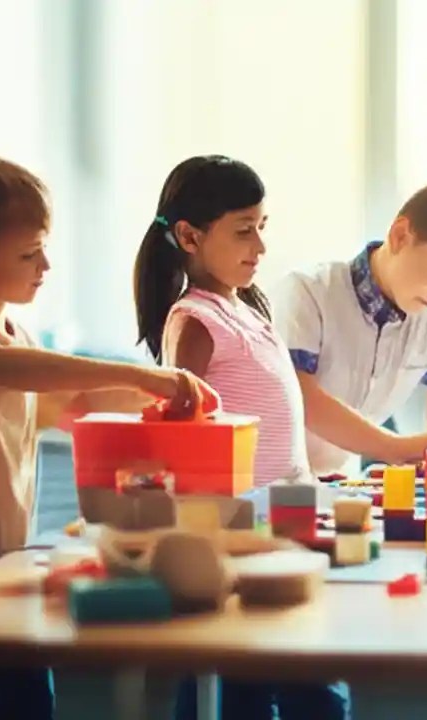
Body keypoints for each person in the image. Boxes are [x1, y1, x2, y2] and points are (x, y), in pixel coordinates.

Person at [0, 153, 215, 720]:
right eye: (29, 252)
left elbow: (72, 403)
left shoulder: (19, 334)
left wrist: (158, 398)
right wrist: (138, 374)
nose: (46, 264)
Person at [133, 155, 347, 720]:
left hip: (288, 519)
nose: (260, 246)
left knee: (309, 680)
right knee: (250, 689)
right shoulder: (195, 321)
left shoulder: (246, 308)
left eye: (263, 227)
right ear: (189, 236)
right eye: (243, 230)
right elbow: (184, 442)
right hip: (240, 533)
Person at [272, 184, 427, 477]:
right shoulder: (308, 291)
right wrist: (393, 448)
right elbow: (299, 396)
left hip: (339, 482)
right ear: (400, 235)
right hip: (272, 481)